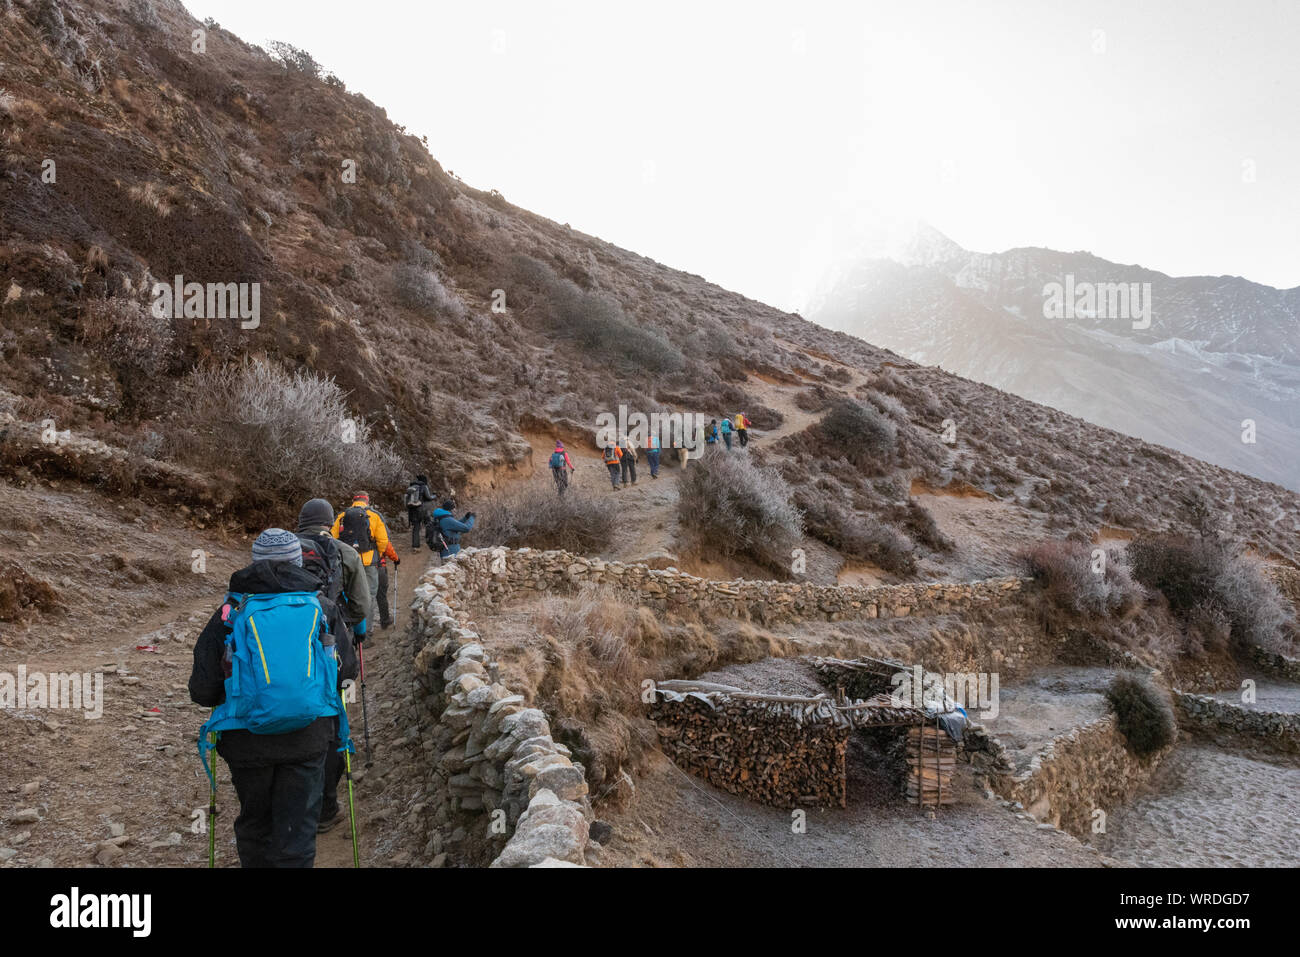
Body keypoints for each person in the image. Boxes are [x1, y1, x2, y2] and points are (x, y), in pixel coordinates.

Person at [190, 529, 351, 867]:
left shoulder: (230, 613)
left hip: (247, 742)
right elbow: (346, 672)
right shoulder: (322, 607)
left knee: (256, 826)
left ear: (254, 563)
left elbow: (202, 691)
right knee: (297, 832)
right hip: (308, 737)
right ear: (298, 562)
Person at [296, 498, 368, 833]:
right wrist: (344, 627)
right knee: (331, 721)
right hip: (329, 650)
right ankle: (325, 807)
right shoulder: (344, 552)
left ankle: (286, 800)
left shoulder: (281, 549)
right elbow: (361, 604)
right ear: (331, 522)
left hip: (286, 649)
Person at [331, 492, 397, 632]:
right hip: (369, 563)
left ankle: (348, 631)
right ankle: (365, 634)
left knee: (347, 596)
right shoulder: (374, 515)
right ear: (367, 501)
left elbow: (332, 538)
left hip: (346, 562)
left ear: (353, 501)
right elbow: (383, 542)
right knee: (368, 597)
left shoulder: (342, 516)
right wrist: (381, 556)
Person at [404, 475, 436, 550]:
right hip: (422, 510)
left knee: (416, 528)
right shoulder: (424, 486)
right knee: (429, 524)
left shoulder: (411, 487)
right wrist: (434, 496)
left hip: (412, 510)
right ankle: (430, 540)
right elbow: (428, 497)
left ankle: (415, 546)